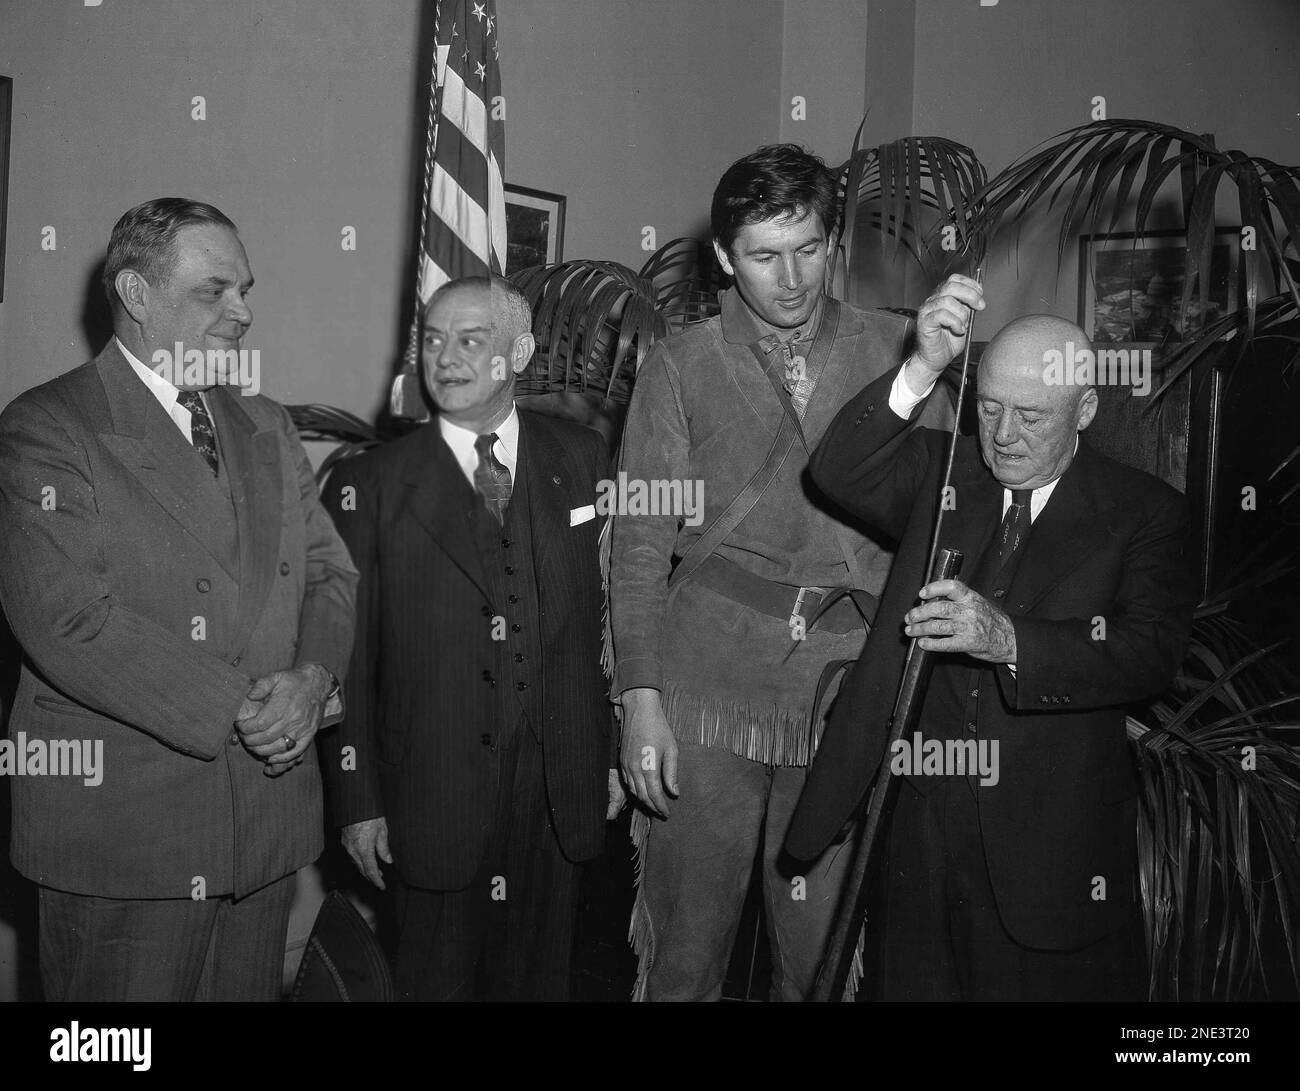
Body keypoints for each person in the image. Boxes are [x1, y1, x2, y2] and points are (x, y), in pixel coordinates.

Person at [609, 144, 954, 1001]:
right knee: (687, 950)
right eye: (764, 256)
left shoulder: (900, 349)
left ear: (833, 242)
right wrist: (640, 698)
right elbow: (640, 543)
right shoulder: (681, 364)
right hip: (706, 685)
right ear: (725, 257)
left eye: (808, 249)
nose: (792, 278)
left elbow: (943, 521)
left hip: (844, 686)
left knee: (818, 955)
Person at [785, 299, 1198, 1000]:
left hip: (1048, 854)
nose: (1002, 436)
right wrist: (923, 365)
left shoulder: (1144, 512)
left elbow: (1148, 652)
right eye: (989, 407)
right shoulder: (945, 476)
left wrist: (1010, 640)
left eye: (1030, 417)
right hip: (919, 834)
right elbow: (837, 470)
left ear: (1085, 410)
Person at [0, 198, 358, 1001]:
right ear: (137, 294)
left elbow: (332, 575)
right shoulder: (47, 427)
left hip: (264, 827)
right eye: (214, 291)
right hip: (129, 838)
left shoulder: (267, 423)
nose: (243, 311)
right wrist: (248, 708)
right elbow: (68, 621)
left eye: (245, 289)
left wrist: (312, 681)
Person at [321, 275, 621, 1001]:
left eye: (469, 339)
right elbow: (344, 661)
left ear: (519, 353)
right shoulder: (369, 484)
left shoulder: (581, 455)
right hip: (434, 792)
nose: (445, 357)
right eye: (432, 340)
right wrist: (359, 801)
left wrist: (609, 752)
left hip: (558, 784)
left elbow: (604, 616)